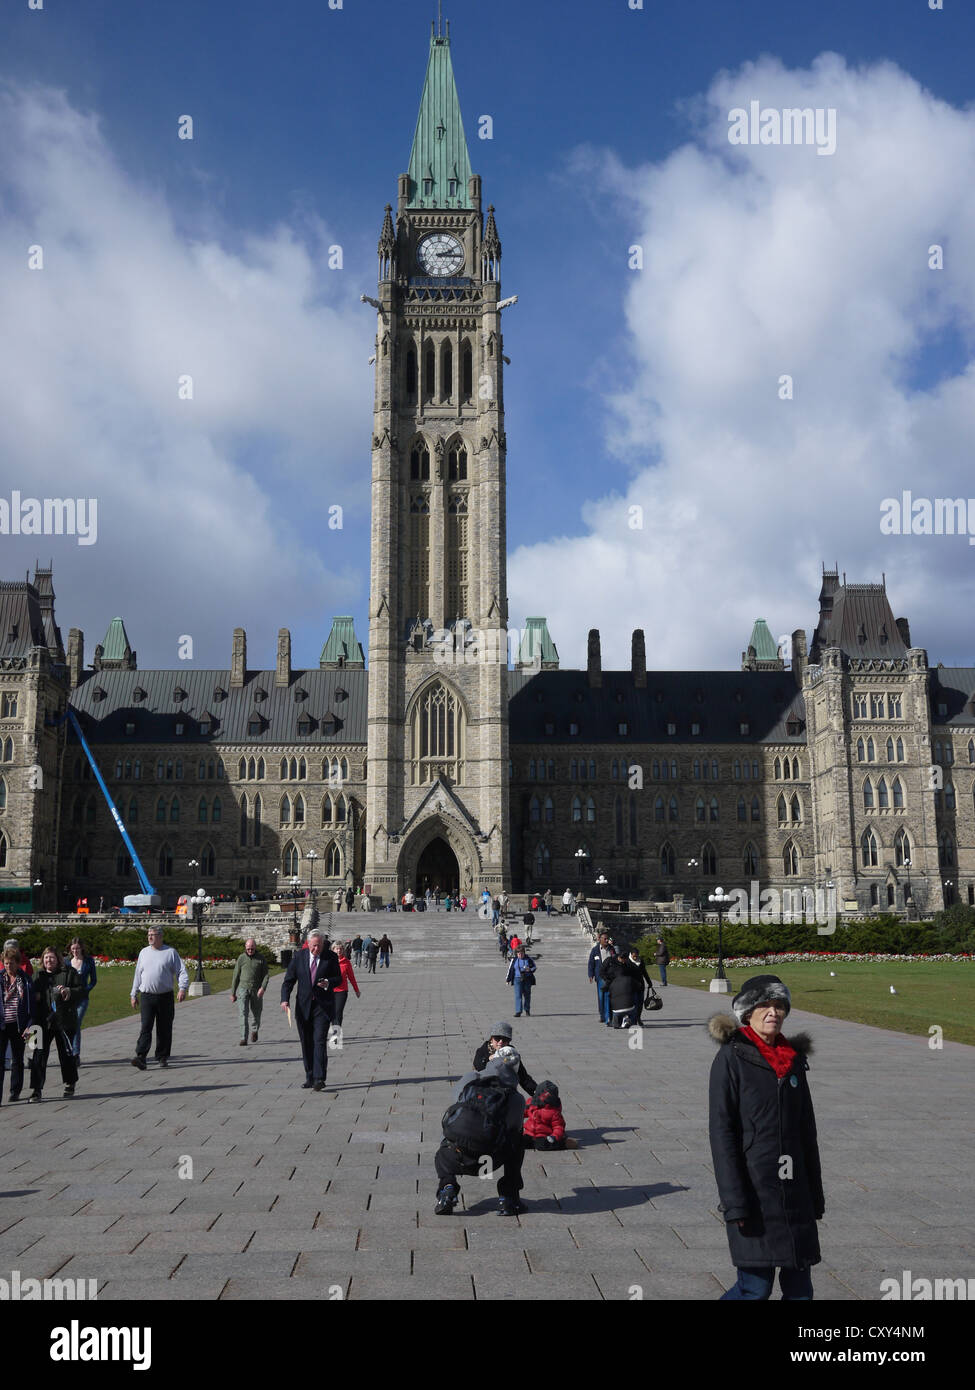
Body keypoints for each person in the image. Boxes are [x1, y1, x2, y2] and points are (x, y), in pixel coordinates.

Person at [708, 974, 824, 1300]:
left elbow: (806, 1131)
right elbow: (722, 1133)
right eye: (765, 1006)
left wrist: (814, 1194)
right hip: (754, 1193)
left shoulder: (794, 1061)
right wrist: (735, 1202)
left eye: (779, 1006)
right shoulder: (731, 1058)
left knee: (800, 1291)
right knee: (754, 1290)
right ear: (748, 1013)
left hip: (795, 1193)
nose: (773, 1012)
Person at [434, 1052, 527, 1216]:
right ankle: (508, 1197)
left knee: (449, 1135)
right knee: (518, 1138)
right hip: (488, 1163)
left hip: (455, 1158)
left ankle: (447, 1188)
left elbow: (456, 1103)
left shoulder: (469, 1080)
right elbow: (514, 1127)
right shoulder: (515, 1098)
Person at [280, 930, 341, 1091]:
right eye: (314, 946)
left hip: (322, 1007)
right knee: (306, 1042)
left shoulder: (330, 957)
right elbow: (288, 981)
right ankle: (310, 1075)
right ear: (308, 944)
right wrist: (284, 999)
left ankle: (319, 1078)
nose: (317, 949)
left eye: (319, 946)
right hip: (303, 1007)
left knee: (319, 1041)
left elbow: (338, 978)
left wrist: (328, 982)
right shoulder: (299, 957)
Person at [29, 946, 84, 1100]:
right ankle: (36, 1089)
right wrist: (35, 996)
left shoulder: (69, 973)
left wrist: (69, 991)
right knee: (38, 1055)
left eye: (52, 957)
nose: (49, 960)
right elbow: (28, 996)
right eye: (46, 958)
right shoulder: (37, 976)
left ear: (58, 959)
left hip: (64, 1021)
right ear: (42, 960)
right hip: (40, 1023)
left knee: (66, 1054)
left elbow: (81, 990)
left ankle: (70, 1083)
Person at [129, 927, 188, 1070]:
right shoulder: (144, 952)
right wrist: (133, 993)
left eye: (153, 935)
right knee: (146, 1027)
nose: (150, 937)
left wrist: (182, 988)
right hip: (147, 996)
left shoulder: (170, 952)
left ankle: (162, 1057)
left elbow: (181, 971)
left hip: (165, 996)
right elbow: (138, 974)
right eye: (148, 935)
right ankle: (141, 1056)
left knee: (164, 1028)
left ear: (160, 937)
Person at [0, 944, 33, 1104]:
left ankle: (15, 1091)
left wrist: (29, 1025)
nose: (8, 966)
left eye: (11, 962)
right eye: (6, 963)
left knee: (17, 1059)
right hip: (2, 1024)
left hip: (19, 1024)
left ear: (18, 963)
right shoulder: (0, 978)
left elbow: (30, 1005)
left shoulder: (25, 980)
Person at [473, 1021, 536, 1096]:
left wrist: (537, 1092)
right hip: (485, 1092)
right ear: (491, 1039)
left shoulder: (511, 1054)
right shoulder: (483, 1050)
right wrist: (489, 1059)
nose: (500, 1042)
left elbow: (523, 1077)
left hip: (506, 1092)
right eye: (497, 1038)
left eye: (505, 1039)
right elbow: (478, 1066)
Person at [230, 937, 269, 1045]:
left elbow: (266, 975)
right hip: (243, 989)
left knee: (257, 1013)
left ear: (255, 948)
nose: (250, 951)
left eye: (252, 949)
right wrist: (233, 993)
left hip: (256, 990)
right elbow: (236, 976)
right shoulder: (241, 958)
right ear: (245, 948)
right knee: (243, 1013)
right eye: (248, 949)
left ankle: (255, 1030)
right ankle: (244, 1037)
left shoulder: (261, 958)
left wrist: (263, 987)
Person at [65, 937, 97, 1062]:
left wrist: (86, 990)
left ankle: (76, 1053)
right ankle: (69, 1050)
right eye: (73, 948)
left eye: (77, 948)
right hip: (69, 997)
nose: (75, 951)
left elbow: (93, 980)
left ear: (82, 948)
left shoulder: (88, 961)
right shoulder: (67, 961)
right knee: (69, 1025)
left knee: (76, 1022)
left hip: (82, 998)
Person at [523, 1079, 571, 1150]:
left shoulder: (553, 1112)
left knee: (541, 1146)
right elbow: (523, 1112)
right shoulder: (532, 1103)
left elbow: (559, 1126)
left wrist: (555, 1136)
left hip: (543, 1135)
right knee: (520, 1143)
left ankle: (564, 1143)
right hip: (529, 1133)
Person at [601, 947, 642, 1029]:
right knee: (610, 1002)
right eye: (622, 960)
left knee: (625, 1001)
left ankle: (625, 1020)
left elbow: (635, 972)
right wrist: (606, 980)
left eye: (625, 960)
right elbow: (602, 971)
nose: (623, 962)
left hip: (622, 986)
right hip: (611, 984)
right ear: (619, 957)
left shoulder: (627, 964)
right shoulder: (610, 961)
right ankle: (610, 1019)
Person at [587, 930, 615, 1026]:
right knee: (601, 997)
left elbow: (615, 960)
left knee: (608, 996)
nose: (607, 940)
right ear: (600, 940)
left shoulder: (611, 949)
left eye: (607, 939)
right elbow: (591, 963)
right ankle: (602, 1015)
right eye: (605, 939)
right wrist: (590, 975)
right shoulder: (595, 950)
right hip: (600, 977)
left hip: (610, 977)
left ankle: (608, 1017)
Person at [331, 943, 360, 1033]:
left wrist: (356, 990)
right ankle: (334, 1028)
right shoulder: (328, 961)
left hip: (342, 991)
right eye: (337, 949)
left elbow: (351, 977)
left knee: (338, 1012)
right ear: (333, 950)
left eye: (340, 949)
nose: (339, 951)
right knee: (332, 1013)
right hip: (329, 991)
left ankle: (336, 1033)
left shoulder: (346, 962)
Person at [505, 945, 537, 1018]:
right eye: (518, 954)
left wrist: (530, 970)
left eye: (521, 953)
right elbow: (510, 970)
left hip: (527, 979)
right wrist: (508, 979)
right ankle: (518, 1011)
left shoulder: (528, 959)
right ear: (516, 954)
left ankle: (527, 1010)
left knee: (527, 995)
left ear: (524, 953)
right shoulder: (514, 960)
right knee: (518, 995)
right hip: (517, 979)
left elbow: (534, 967)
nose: (520, 955)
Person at [627, 946, 654, 1027]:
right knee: (633, 1003)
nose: (635, 957)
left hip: (640, 985)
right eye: (633, 956)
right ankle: (633, 1019)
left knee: (640, 1003)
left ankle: (638, 1018)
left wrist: (649, 982)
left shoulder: (640, 961)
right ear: (631, 954)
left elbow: (644, 972)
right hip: (631, 986)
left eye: (636, 956)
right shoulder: (627, 961)